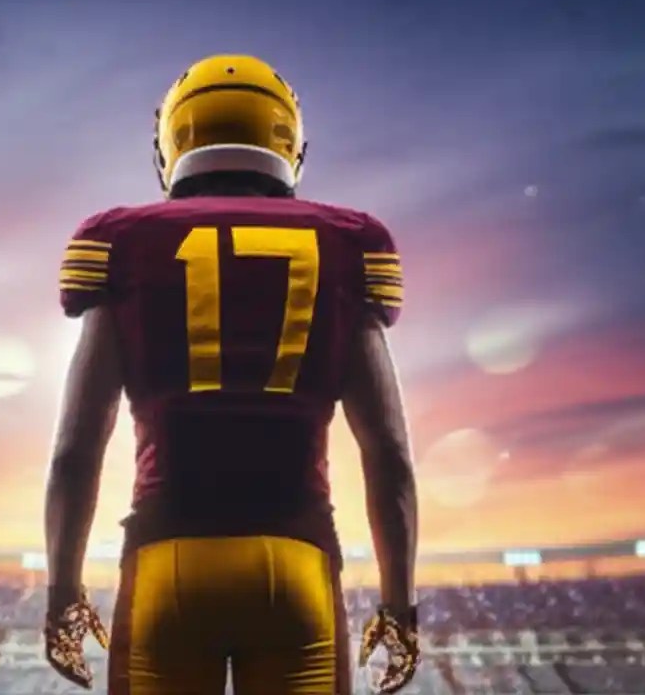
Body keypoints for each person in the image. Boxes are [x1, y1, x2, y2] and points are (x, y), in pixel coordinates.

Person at [42, 53, 420, 695]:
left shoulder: (121, 239)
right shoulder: (348, 240)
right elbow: (388, 453)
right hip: (296, 553)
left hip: (168, 555)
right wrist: (400, 603)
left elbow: (77, 449)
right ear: (289, 140)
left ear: (174, 138)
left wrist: (62, 593)